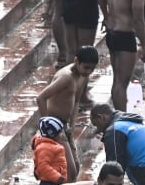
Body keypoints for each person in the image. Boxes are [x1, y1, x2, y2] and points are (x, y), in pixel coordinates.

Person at [37, 46, 99, 175]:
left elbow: (76, 101)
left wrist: (72, 125)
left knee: (75, 166)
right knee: (70, 169)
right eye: (86, 67)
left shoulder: (83, 76)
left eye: (92, 69)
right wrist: (47, 127)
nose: (88, 71)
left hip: (65, 125)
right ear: (76, 61)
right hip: (54, 124)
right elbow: (41, 98)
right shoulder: (66, 77)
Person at [105, 0, 145, 110]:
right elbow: (138, 20)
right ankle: (122, 118)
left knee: (117, 80)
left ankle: (118, 115)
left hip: (111, 34)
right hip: (124, 36)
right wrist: (144, 45)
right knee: (122, 83)